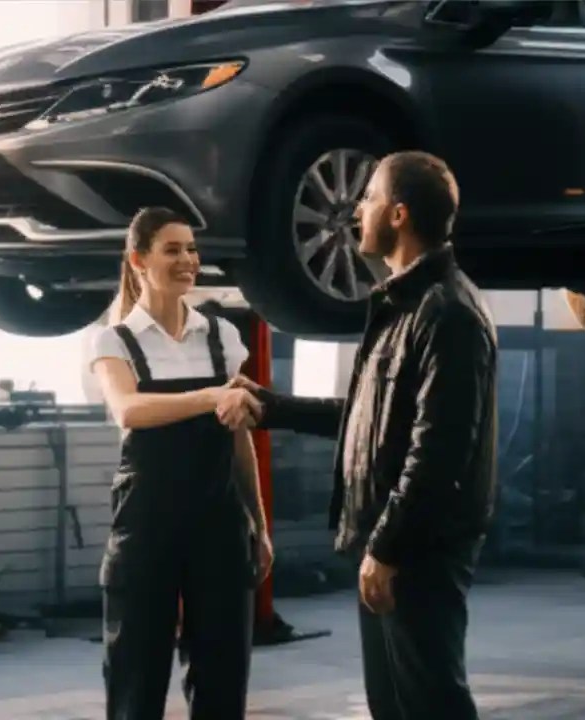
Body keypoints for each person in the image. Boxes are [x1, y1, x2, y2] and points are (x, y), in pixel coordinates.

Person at [226, 151, 498, 720]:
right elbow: (371, 418)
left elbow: (438, 451)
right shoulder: (404, 304)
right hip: (395, 542)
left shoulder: (447, 313)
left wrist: (387, 546)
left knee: (430, 702)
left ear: (398, 215)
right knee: (394, 706)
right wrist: (274, 408)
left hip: (418, 549)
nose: (356, 213)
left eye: (368, 198)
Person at [89, 206, 272, 720]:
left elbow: (240, 443)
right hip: (146, 527)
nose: (188, 259)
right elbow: (130, 409)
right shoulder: (114, 341)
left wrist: (257, 524)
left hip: (219, 522)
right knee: (135, 675)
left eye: (191, 248)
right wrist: (211, 395)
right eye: (172, 249)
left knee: (223, 676)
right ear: (139, 260)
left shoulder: (221, 337)